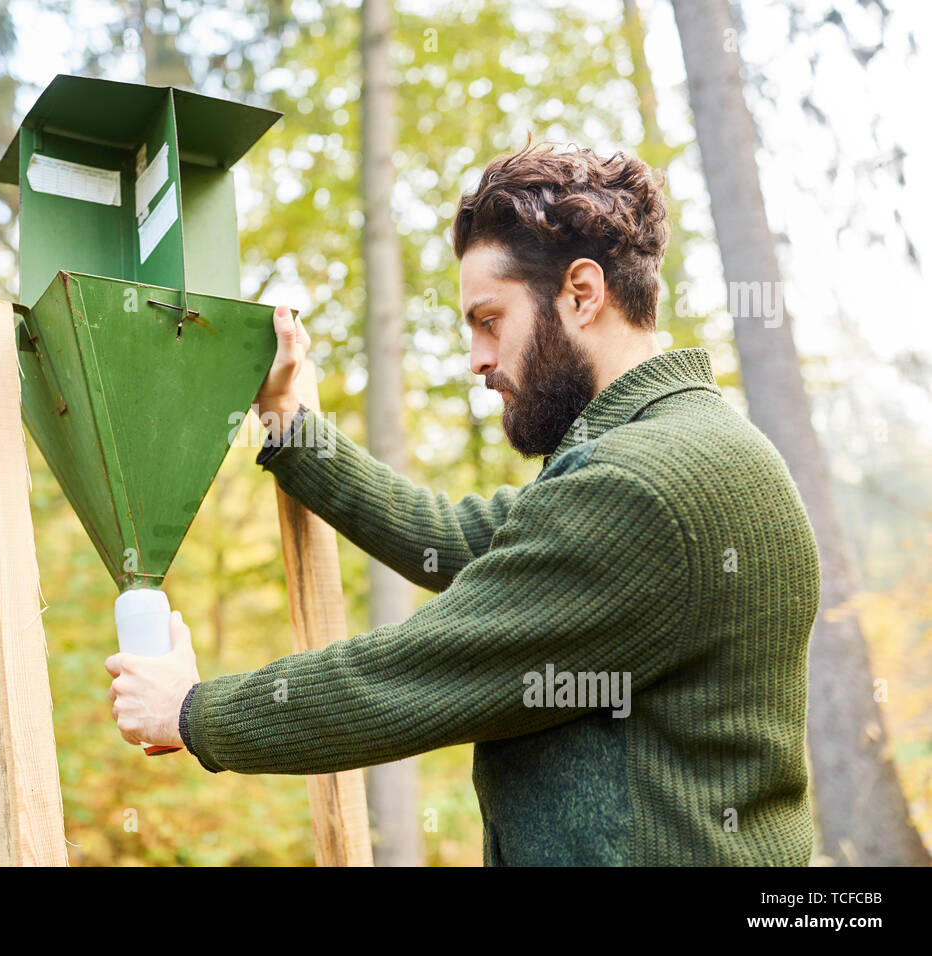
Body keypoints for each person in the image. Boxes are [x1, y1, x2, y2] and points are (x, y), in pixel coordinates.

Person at [105, 140, 821, 865]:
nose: (477, 358)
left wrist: (194, 711)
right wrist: (291, 422)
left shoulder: (641, 487)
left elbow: (413, 674)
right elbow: (449, 536)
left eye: (489, 320)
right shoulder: (680, 447)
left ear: (582, 293)